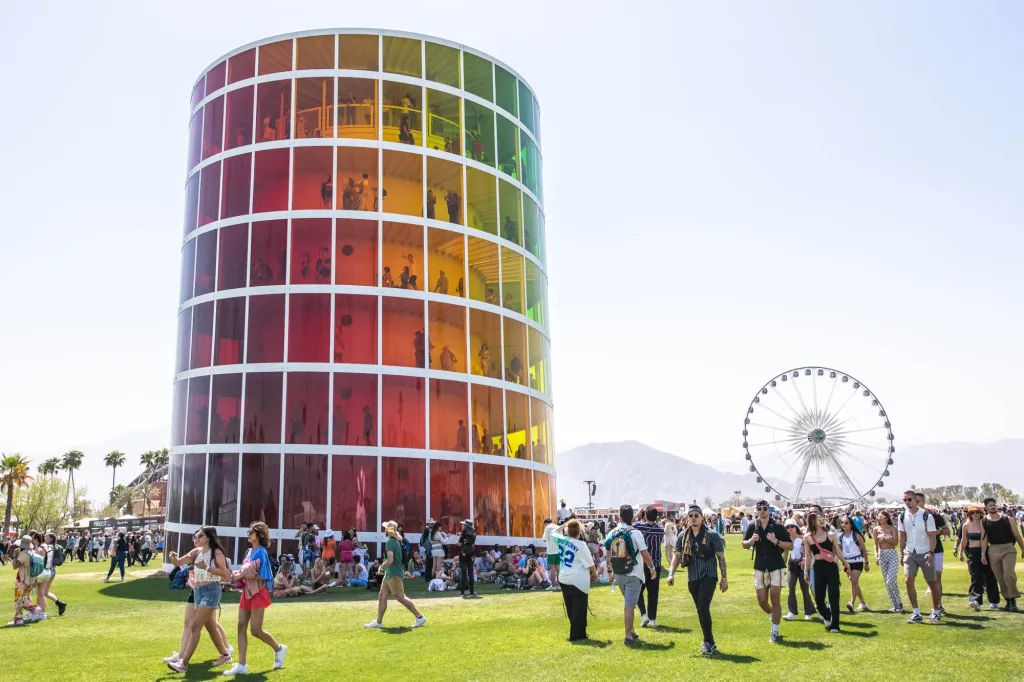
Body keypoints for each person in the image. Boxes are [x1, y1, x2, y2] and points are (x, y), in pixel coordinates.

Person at [165, 527, 234, 673]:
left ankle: (183, 663)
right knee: (210, 626)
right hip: (198, 591)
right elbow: (178, 563)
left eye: (200, 536)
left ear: (207, 538)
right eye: (196, 536)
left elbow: (225, 575)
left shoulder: (217, 552)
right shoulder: (196, 552)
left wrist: (207, 567)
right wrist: (173, 558)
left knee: (195, 626)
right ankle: (225, 654)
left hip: (211, 590)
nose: (197, 538)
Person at [224, 522, 287, 676]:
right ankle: (242, 665)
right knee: (240, 626)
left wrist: (243, 575)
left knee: (255, 630)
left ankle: (279, 649)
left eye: (251, 532)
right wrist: (237, 575)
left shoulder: (261, 552)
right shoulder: (248, 552)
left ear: (258, 535)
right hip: (247, 591)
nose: (248, 534)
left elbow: (265, 576)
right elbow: (245, 571)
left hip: (259, 591)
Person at [668, 505, 727, 656]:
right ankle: (709, 642)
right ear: (687, 518)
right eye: (691, 515)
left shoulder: (713, 535)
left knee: (702, 607)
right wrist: (671, 573)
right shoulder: (683, 535)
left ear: (702, 517)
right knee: (700, 610)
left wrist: (724, 578)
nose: (693, 518)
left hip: (709, 575)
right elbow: (676, 554)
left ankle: (709, 642)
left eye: (696, 515)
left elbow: (720, 557)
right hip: (692, 577)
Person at [604, 504, 655, 647]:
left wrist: (609, 572)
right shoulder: (635, 533)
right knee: (629, 605)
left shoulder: (612, 532)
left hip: (618, 572)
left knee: (629, 604)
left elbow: (607, 554)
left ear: (619, 517)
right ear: (632, 517)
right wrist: (652, 568)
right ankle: (627, 636)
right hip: (633, 573)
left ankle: (631, 630)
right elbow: (645, 553)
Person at [742, 500, 792, 642]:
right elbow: (744, 544)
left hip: (776, 565)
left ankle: (774, 632)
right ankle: (773, 616)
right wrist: (751, 541)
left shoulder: (777, 526)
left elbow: (790, 546)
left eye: (765, 508)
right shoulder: (752, 525)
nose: (762, 511)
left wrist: (776, 541)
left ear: (769, 510)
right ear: (756, 510)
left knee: (775, 596)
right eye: (760, 508)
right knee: (762, 601)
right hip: (760, 566)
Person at [365, 521, 427, 629]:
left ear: (389, 530)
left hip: (393, 573)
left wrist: (381, 567)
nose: (384, 530)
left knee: (401, 597)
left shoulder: (390, 542)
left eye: (385, 528)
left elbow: (390, 560)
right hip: (390, 573)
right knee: (382, 596)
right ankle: (378, 622)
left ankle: (419, 617)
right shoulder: (396, 541)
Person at [898, 489, 942, 623]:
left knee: (932, 582)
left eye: (909, 500)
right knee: (908, 580)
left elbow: (932, 536)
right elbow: (903, 536)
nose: (907, 502)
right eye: (905, 500)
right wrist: (901, 553)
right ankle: (916, 612)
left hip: (925, 552)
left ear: (917, 501)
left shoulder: (926, 515)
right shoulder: (902, 516)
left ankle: (936, 611)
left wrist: (931, 552)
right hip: (910, 552)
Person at [550, 519, 597, 641]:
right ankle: (577, 634)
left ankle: (577, 632)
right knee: (579, 609)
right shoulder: (581, 545)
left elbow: (553, 532)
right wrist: (595, 574)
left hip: (564, 577)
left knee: (571, 607)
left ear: (567, 531)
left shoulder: (561, 539)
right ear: (579, 532)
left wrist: (563, 526)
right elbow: (590, 564)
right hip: (578, 579)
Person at [804, 510, 848, 633]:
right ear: (812, 521)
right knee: (819, 598)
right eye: (818, 519)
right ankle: (827, 615)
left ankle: (835, 625)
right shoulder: (807, 537)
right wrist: (806, 572)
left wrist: (846, 564)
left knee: (834, 596)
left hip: (831, 567)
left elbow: (838, 552)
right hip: (818, 567)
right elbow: (808, 556)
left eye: (822, 518)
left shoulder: (831, 535)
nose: (822, 520)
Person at [982, 496, 1024, 611]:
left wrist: (1023, 548)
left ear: (997, 505)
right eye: (989, 505)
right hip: (993, 550)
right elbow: (984, 538)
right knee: (1000, 578)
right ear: (986, 507)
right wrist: (983, 554)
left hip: (1008, 549)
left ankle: (1013, 601)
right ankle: (1008, 601)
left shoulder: (1007, 519)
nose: (992, 506)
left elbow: (1017, 535)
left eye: (993, 504)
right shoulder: (984, 521)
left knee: (1008, 575)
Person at [960, 505, 998, 610]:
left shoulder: (984, 523)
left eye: (977, 512)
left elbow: (983, 539)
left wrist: (983, 554)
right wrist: (960, 552)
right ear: (969, 514)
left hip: (985, 551)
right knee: (976, 576)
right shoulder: (966, 525)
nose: (975, 514)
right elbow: (964, 540)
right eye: (973, 513)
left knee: (989, 576)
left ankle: (994, 601)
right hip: (972, 552)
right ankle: (975, 600)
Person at [916, 492, 949, 613]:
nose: (916, 503)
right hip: (921, 551)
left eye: (918, 501)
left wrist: (935, 532)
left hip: (937, 550)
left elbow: (947, 530)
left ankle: (939, 605)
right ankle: (936, 604)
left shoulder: (934, 516)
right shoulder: (910, 517)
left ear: (923, 501)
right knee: (930, 579)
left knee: (937, 577)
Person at [633, 506, 665, 628]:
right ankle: (653, 618)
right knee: (653, 592)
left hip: (642, 563)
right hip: (655, 563)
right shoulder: (660, 529)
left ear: (645, 515)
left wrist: (637, 515)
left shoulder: (639, 527)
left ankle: (643, 614)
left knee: (638, 590)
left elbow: (628, 525)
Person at [782, 519, 815, 621]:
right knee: (791, 589)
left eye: (791, 526)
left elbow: (806, 552)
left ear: (796, 527)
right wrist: (783, 567)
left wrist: (805, 561)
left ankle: (808, 612)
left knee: (805, 589)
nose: (790, 529)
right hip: (792, 566)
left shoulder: (802, 538)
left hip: (802, 565)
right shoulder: (787, 540)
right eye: (787, 527)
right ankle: (792, 612)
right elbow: (786, 554)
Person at [873, 510, 904, 613]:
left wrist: (885, 539)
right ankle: (895, 604)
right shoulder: (876, 529)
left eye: (881, 516)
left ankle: (898, 602)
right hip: (882, 555)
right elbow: (875, 544)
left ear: (886, 518)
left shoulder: (893, 529)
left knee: (890, 580)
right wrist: (876, 555)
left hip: (892, 554)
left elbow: (895, 542)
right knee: (886, 582)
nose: (879, 518)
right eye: (878, 517)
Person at [839, 515, 870, 612]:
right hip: (847, 562)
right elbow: (839, 550)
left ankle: (851, 603)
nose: (844, 524)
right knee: (855, 583)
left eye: (846, 523)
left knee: (853, 581)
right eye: (842, 522)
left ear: (851, 525)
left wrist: (867, 562)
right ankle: (863, 603)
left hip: (857, 561)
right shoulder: (840, 536)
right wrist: (843, 563)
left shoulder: (856, 535)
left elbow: (864, 549)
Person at [457, 519, 478, 598]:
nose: (462, 526)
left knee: (463, 573)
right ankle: (472, 591)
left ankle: (462, 591)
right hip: (471, 555)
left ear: (466, 526)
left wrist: (459, 540)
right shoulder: (473, 534)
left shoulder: (463, 533)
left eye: (463, 525)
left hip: (463, 555)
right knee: (471, 573)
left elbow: (459, 544)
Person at [542, 517, 561, 590]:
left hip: (551, 551)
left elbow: (544, 539)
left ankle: (553, 585)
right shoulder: (558, 527)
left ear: (545, 523)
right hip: (558, 550)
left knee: (552, 568)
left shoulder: (547, 528)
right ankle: (559, 585)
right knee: (558, 568)